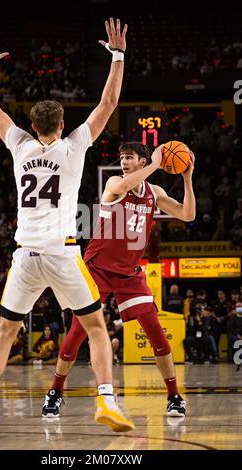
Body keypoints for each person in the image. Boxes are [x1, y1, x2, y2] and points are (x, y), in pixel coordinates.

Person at [0, 19, 134, 438]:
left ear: (33, 126)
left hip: (25, 255)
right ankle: (106, 401)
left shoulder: (19, 145)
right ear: (61, 126)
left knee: (5, 332)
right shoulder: (75, 145)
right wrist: (118, 55)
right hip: (63, 252)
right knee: (96, 327)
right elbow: (109, 102)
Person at [42, 140, 195, 419]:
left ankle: (174, 396)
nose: (123, 161)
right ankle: (55, 391)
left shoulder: (154, 192)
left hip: (129, 272)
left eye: (129, 157)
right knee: (78, 332)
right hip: (97, 268)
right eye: (122, 157)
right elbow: (124, 186)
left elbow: (187, 214)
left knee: (155, 331)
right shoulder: (114, 182)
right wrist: (157, 164)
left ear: (141, 160)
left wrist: (187, 177)